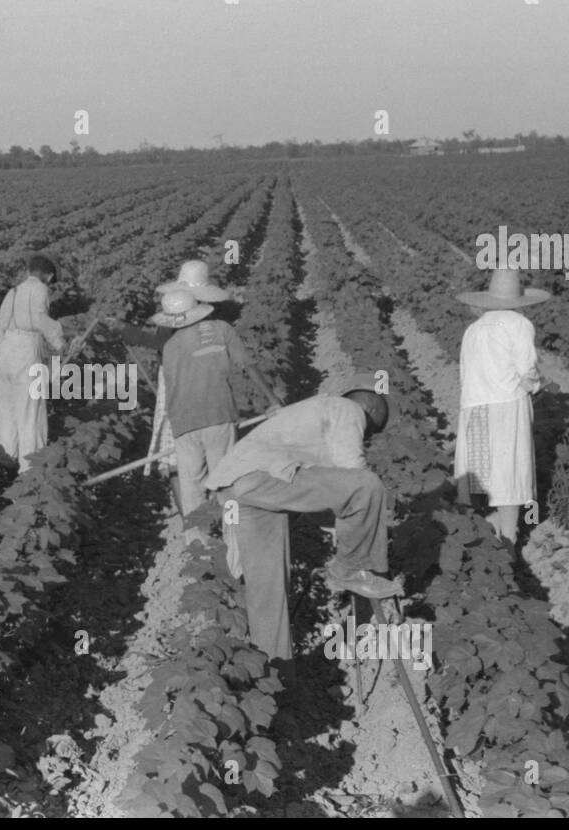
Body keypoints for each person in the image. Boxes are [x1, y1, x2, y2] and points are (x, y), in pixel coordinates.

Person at [204, 373, 402, 672]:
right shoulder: (347, 410)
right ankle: (348, 571)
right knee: (369, 485)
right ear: (371, 411)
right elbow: (355, 475)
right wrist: (367, 549)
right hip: (264, 477)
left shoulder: (312, 416)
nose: (367, 437)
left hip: (240, 486)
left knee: (267, 590)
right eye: (370, 432)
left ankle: (275, 673)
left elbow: (320, 494)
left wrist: (351, 528)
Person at [116, 286, 283, 516]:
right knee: (226, 483)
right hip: (218, 417)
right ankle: (232, 534)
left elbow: (172, 391)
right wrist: (273, 400)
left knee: (192, 491)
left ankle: (196, 543)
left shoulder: (170, 347)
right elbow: (248, 365)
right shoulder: (222, 329)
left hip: (183, 425)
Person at [109, 260, 236, 492]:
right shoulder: (212, 315)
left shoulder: (177, 313)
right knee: (208, 454)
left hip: (178, 384)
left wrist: (129, 332)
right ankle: (209, 513)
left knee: (177, 457)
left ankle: (195, 518)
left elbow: (166, 345)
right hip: (209, 387)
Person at [453, 267, 550, 546]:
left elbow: (464, 373)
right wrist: (533, 386)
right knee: (508, 468)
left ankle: (474, 529)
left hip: (474, 403)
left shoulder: (473, 329)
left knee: (479, 468)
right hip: (507, 403)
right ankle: (509, 535)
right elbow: (527, 368)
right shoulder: (519, 324)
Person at [0, 252, 67, 472]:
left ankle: (8, 457)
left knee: (8, 409)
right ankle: (30, 468)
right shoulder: (40, 289)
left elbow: (2, 326)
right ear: (47, 275)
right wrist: (60, 343)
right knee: (30, 412)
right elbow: (41, 320)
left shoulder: (13, 291)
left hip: (4, 351)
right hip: (25, 351)